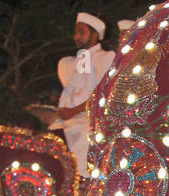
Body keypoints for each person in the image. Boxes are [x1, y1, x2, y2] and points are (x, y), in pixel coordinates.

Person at [27, 13, 114, 173]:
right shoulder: (67, 63)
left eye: (81, 32)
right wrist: (56, 113)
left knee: (82, 148)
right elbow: (70, 95)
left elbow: (103, 95)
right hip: (66, 121)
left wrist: (73, 111)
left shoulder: (106, 58)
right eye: (76, 33)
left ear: (94, 34)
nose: (76, 37)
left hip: (90, 121)